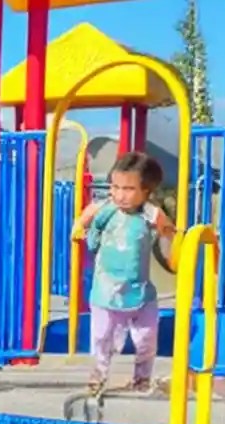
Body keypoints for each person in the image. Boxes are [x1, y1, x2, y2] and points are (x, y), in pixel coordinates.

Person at [72, 151, 177, 393]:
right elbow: (84, 219)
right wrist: (78, 229)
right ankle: (98, 376)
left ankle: (142, 377)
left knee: (146, 339)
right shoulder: (106, 209)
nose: (119, 195)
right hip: (106, 292)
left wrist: (180, 245)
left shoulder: (150, 214)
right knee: (102, 337)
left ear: (146, 192)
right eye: (115, 187)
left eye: (128, 189)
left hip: (140, 293)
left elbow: (170, 233)